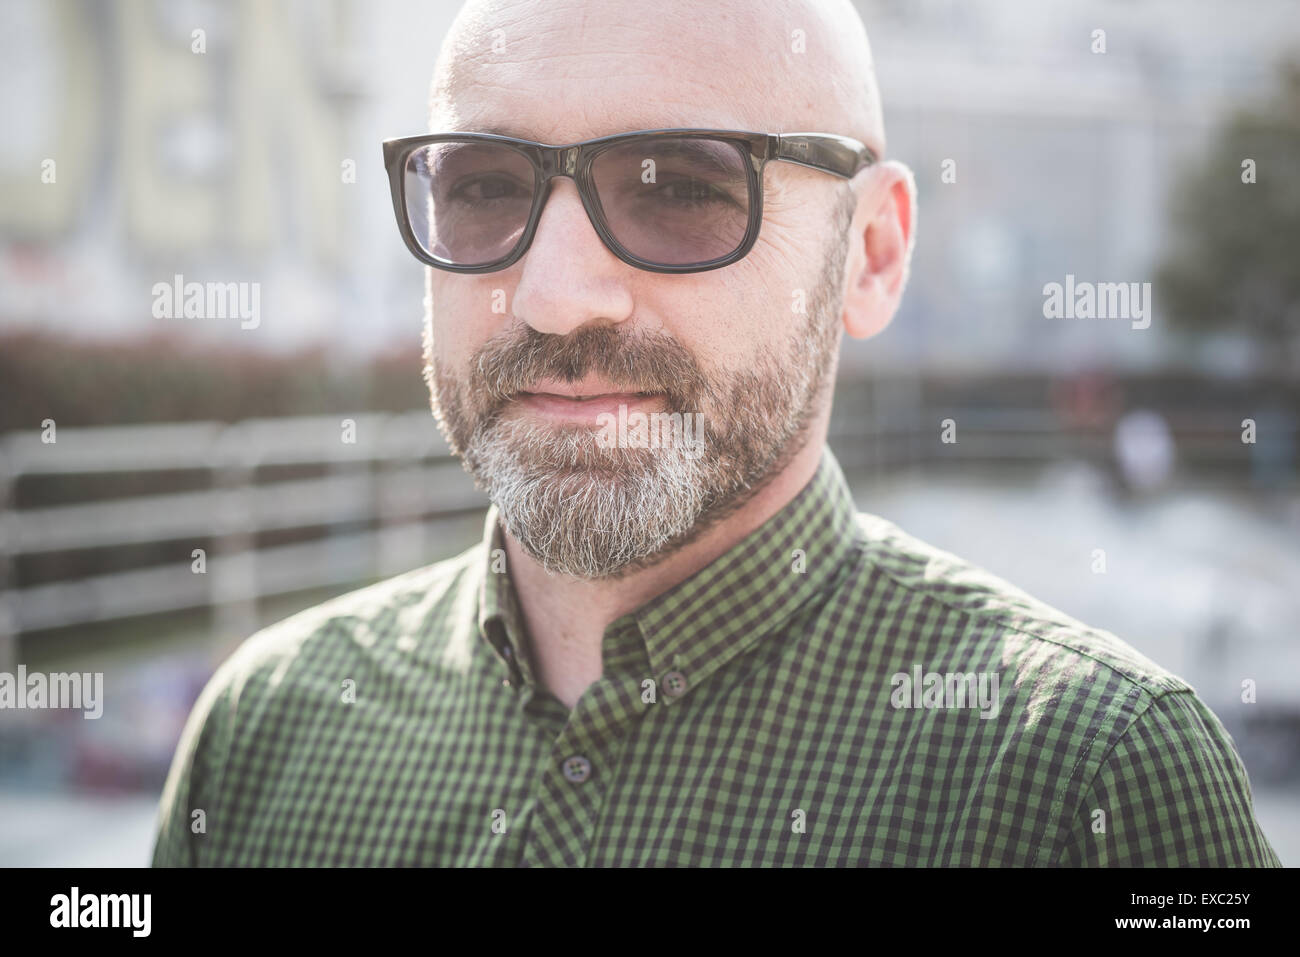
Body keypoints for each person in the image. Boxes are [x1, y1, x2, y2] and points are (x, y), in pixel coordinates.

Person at [152, 0, 1281, 866]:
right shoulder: (263, 731)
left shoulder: (1090, 775)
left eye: (679, 189)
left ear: (872, 254)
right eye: (485, 186)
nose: (554, 295)